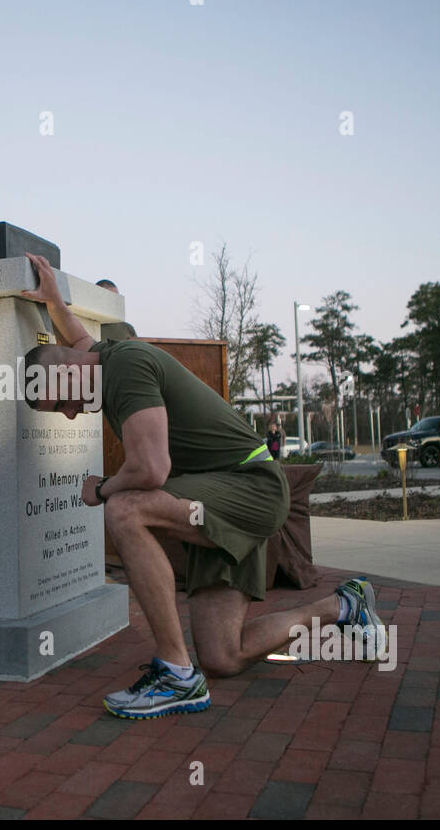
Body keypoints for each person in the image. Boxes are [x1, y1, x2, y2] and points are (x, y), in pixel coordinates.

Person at [20, 253, 387, 719]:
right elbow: (77, 338)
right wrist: (53, 299)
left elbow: (151, 471)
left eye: (62, 401)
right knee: (222, 656)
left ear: (70, 369)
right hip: (218, 499)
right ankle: (342, 606)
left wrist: (102, 487)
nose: (70, 414)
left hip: (248, 488)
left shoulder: (124, 367)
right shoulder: (97, 362)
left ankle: (175, 674)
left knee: (125, 509)